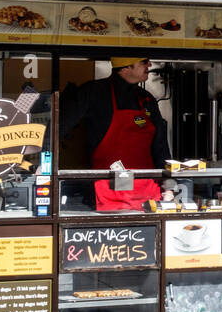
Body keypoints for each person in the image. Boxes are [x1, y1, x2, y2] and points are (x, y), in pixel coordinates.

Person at [60, 57, 169, 211]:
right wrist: (44, 163)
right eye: (144, 61)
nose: (150, 64)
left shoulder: (147, 98)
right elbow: (59, 126)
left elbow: (160, 146)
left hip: (146, 190)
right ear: (125, 68)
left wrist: (168, 186)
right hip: (108, 189)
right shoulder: (93, 92)